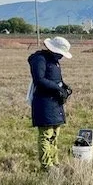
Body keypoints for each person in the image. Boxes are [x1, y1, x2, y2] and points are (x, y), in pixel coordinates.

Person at [28, 36, 73, 171]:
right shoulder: (39, 59)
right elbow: (39, 79)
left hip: (55, 102)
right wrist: (58, 88)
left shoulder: (54, 61)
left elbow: (56, 79)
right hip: (44, 102)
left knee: (55, 134)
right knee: (46, 134)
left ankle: (55, 161)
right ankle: (47, 165)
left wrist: (64, 87)